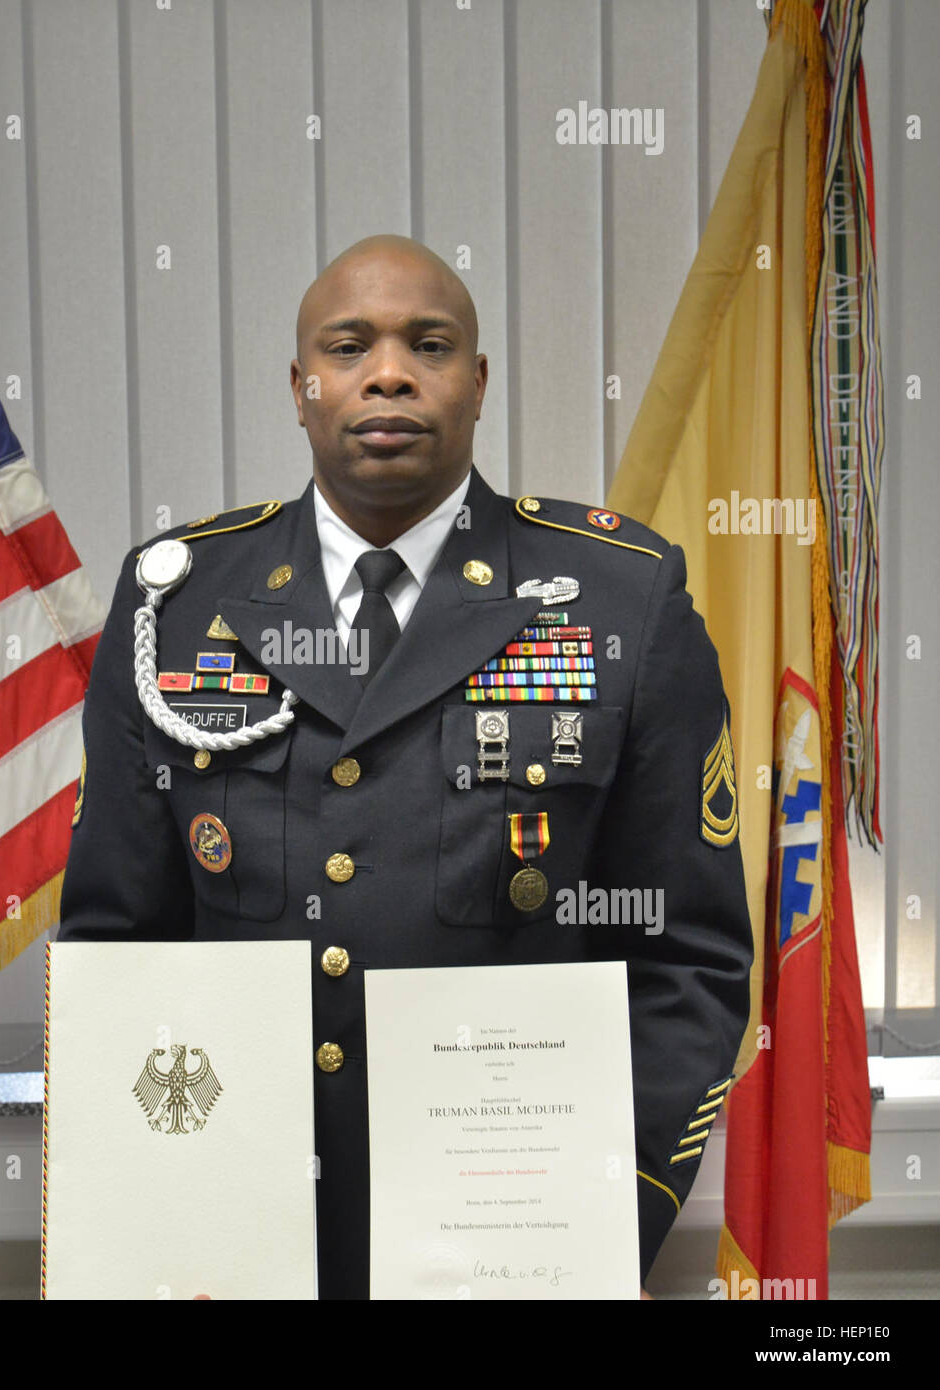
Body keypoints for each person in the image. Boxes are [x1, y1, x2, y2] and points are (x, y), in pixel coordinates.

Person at [58, 234, 753, 1300]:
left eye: (429, 344)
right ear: (301, 388)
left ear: (477, 384)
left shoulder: (620, 599)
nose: (388, 371)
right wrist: (156, 1216)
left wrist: (599, 1212)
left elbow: (685, 960)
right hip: (237, 1247)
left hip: (513, 1249)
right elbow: (117, 948)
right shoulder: (178, 600)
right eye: (349, 347)